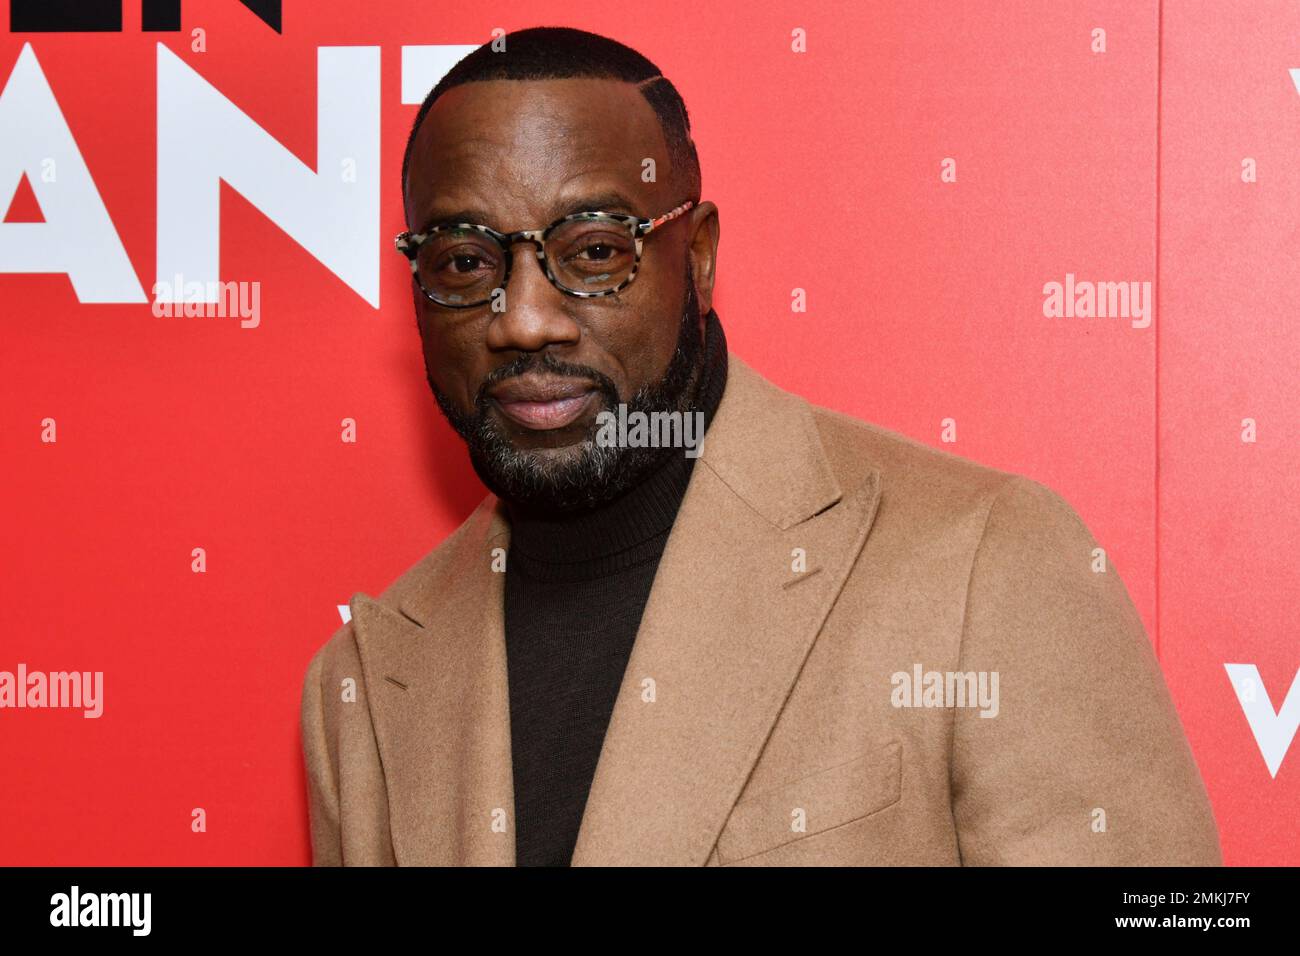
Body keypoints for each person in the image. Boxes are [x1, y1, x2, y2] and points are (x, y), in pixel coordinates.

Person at [299, 26, 1221, 866]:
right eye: (466, 261)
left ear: (695, 256)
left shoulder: (985, 563)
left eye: (591, 251)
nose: (524, 320)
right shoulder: (365, 688)